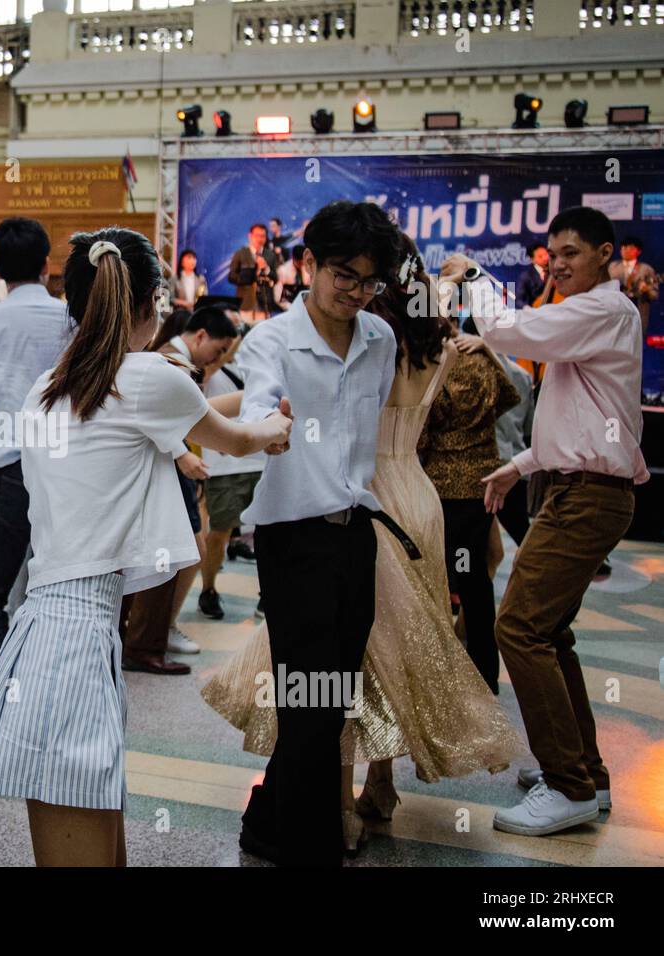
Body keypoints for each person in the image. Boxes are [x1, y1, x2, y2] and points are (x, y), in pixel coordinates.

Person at [0, 227, 291, 866]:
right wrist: (278, 426)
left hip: (50, 625)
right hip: (76, 635)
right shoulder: (147, 379)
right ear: (154, 300)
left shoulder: (49, 387)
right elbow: (234, 438)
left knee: (94, 835)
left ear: (72, 305)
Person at [203, 232, 524, 857]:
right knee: (397, 655)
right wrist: (456, 288)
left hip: (361, 496)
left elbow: (274, 402)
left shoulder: (372, 343)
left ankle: (338, 810)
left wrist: (197, 408)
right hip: (417, 499)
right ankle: (380, 790)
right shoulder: (441, 347)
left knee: (344, 666)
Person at [440, 206, 648, 838]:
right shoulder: (590, 318)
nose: (556, 263)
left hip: (587, 497)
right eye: (551, 252)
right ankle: (583, 772)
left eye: (571, 253)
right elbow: (585, 414)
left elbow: (509, 330)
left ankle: (569, 785)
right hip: (569, 487)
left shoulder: (603, 310)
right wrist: (521, 464)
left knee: (519, 629)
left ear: (605, 254)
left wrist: (473, 273)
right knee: (548, 633)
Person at [229, 200, 404, 867]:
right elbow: (257, 403)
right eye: (345, 275)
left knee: (333, 699)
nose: (357, 292)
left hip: (356, 533)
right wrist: (266, 427)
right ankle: (312, 846)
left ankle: (268, 823)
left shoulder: (379, 340)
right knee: (308, 701)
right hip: (292, 537)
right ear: (308, 265)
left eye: (369, 281)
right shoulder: (272, 339)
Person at [0, 217, 72, 681]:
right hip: (71, 472)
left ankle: (6, 693)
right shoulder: (74, 320)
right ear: (48, 264)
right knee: (63, 590)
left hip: (11, 474)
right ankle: (54, 682)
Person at [120, 305, 239, 669]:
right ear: (200, 335)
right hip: (166, 467)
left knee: (179, 550)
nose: (217, 359)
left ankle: (147, 636)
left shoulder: (168, 357)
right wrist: (182, 453)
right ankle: (146, 641)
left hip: (166, 466)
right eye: (218, 350)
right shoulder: (168, 362)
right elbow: (159, 419)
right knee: (178, 552)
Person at [420, 312, 520, 695]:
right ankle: (485, 672)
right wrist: (490, 352)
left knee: (437, 579)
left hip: (442, 485)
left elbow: (423, 431)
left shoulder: (432, 365)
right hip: (482, 484)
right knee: (476, 580)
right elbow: (510, 396)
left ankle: (439, 671)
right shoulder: (477, 357)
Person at [197, 321, 263, 620]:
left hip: (261, 461)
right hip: (223, 467)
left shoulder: (264, 370)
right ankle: (208, 589)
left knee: (267, 533)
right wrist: (233, 342)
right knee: (220, 532)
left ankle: (267, 593)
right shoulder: (212, 368)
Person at [609, 235, 658, 337]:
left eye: (630, 247)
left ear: (638, 251)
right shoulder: (613, 267)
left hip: (638, 312)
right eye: (623, 247)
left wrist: (647, 290)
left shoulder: (646, 269)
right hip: (616, 313)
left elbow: (655, 295)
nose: (625, 250)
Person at [229, 224, 278, 322]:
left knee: (263, 334)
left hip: (264, 304)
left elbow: (275, 278)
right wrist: (247, 276)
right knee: (245, 332)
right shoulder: (240, 253)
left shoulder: (271, 255)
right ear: (250, 236)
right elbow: (231, 277)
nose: (260, 239)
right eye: (257, 236)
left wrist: (266, 268)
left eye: (262, 236)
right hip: (245, 303)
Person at [274, 245, 311, 310]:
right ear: (293, 258)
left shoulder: (308, 267)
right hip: (290, 307)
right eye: (300, 263)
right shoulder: (282, 271)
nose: (302, 265)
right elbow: (278, 297)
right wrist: (293, 309)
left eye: (304, 262)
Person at [517, 242, 549, 307]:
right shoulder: (526, 276)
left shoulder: (555, 272)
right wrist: (529, 310)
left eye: (546, 254)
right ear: (532, 260)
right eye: (540, 256)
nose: (545, 258)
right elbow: (519, 300)